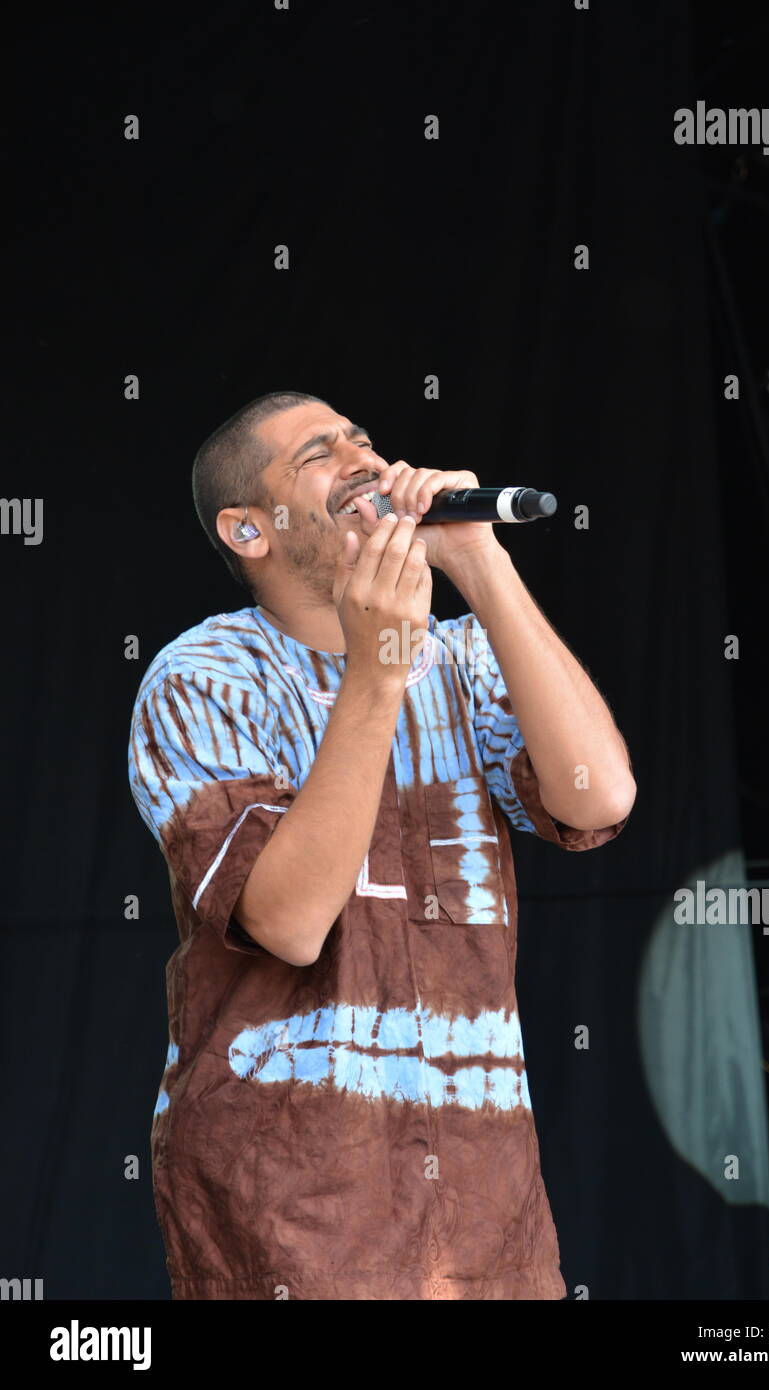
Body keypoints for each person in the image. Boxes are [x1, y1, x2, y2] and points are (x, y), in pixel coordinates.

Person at [127, 389, 636, 1300]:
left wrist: (481, 566)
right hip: (297, 1205)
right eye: (319, 454)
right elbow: (287, 922)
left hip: (489, 1207)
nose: (364, 459)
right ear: (251, 530)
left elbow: (600, 798)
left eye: (364, 439)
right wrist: (378, 672)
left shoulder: (467, 655)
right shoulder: (204, 677)